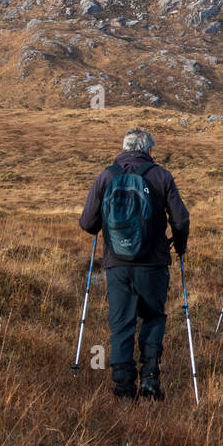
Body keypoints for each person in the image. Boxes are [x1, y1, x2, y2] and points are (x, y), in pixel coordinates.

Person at [79, 128, 189, 400]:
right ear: (149, 150)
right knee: (153, 317)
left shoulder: (107, 176)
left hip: (117, 264)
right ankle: (150, 381)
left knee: (121, 324)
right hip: (153, 264)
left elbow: (87, 223)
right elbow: (181, 220)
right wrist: (180, 245)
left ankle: (123, 387)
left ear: (124, 147)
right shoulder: (161, 176)